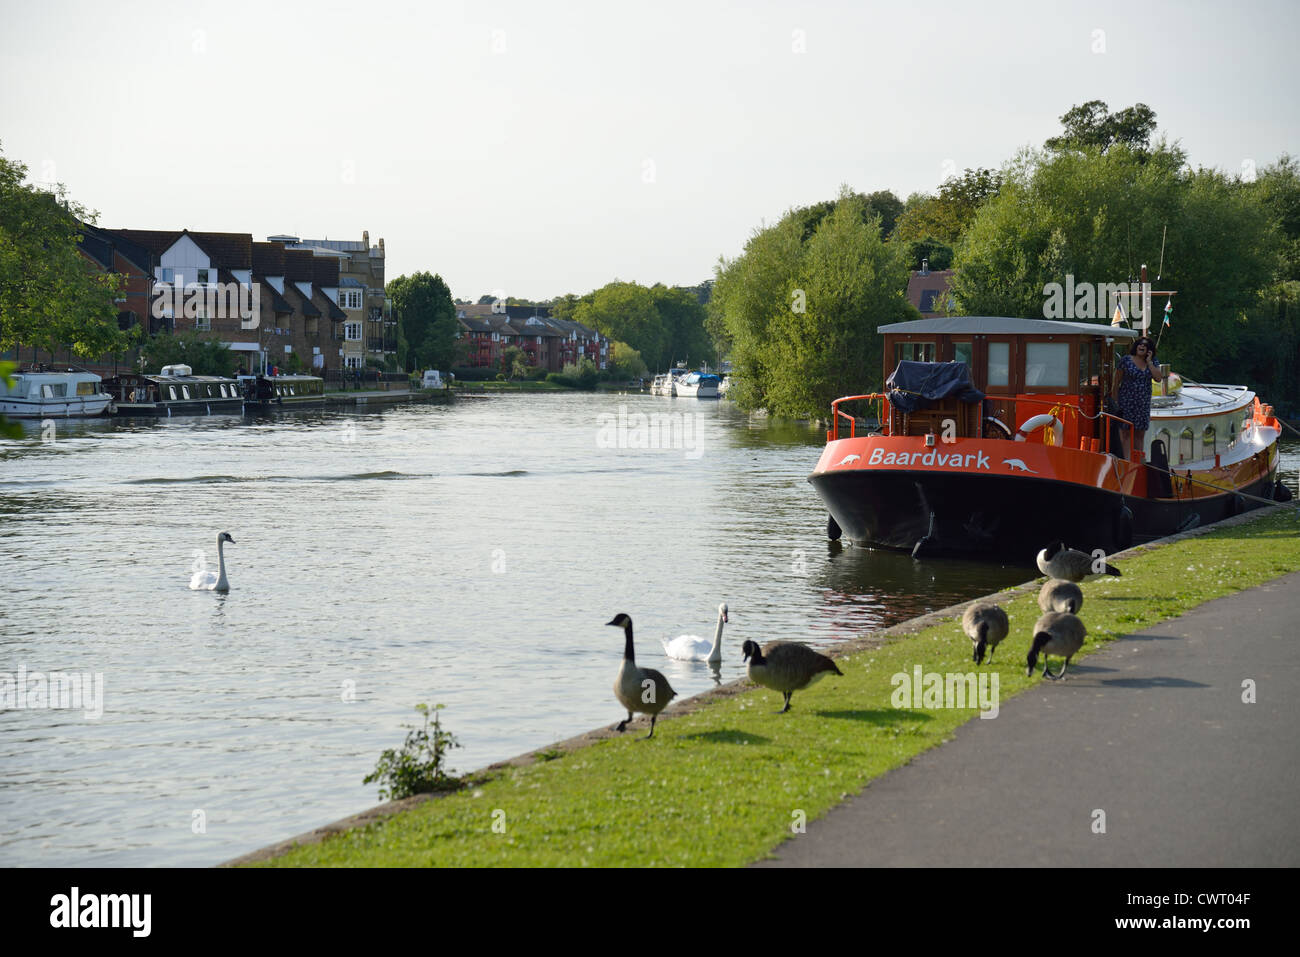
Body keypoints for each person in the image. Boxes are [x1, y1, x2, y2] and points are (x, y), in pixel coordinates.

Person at [1110, 336, 1167, 461]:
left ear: (1149, 350)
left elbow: (1158, 378)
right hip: (1126, 402)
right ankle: (1126, 460)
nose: (1142, 346)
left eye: (1145, 345)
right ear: (1136, 346)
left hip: (1143, 404)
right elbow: (1116, 381)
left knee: (1139, 434)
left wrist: (1150, 362)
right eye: (1140, 344)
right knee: (1125, 432)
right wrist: (1114, 400)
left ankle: (1138, 461)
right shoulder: (1126, 360)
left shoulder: (1153, 362)